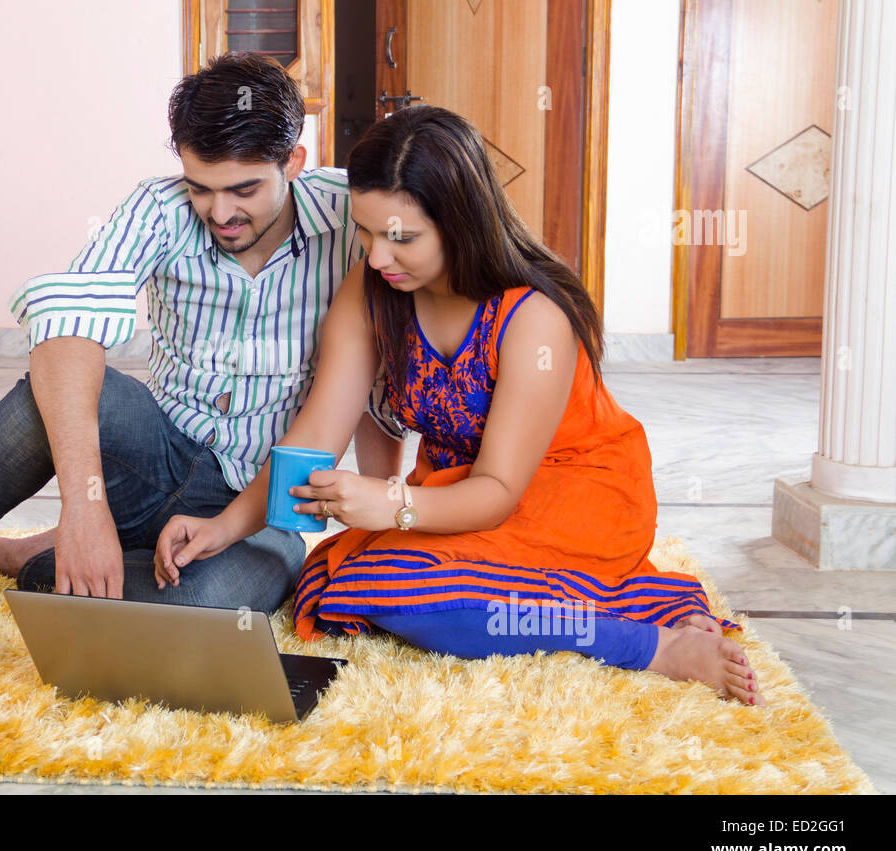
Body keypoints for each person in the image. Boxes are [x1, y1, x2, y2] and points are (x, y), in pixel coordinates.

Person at [154, 105, 763, 705]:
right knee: (344, 585)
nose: (375, 257)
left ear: (462, 223)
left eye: (401, 238)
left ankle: (652, 647)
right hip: (455, 488)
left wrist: (390, 503)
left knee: (407, 591)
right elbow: (314, 434)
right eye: (365, 232)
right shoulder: (374, 289)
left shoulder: (535, 316)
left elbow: (500, 490)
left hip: (571, 492)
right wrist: (224, 527)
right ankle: (577, 606)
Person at [0, 52, 407, 606]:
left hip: (255, 505)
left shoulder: (352, 217)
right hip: (151, 464)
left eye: (244, 190)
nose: (221, 214)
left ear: (294, 163)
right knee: (46, 393)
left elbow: (379, 378)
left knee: (210, 602)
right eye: (202, 187)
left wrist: (386, 521)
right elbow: (63, 333)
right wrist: (85, 509)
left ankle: (27, 559)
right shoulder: (158, 209)